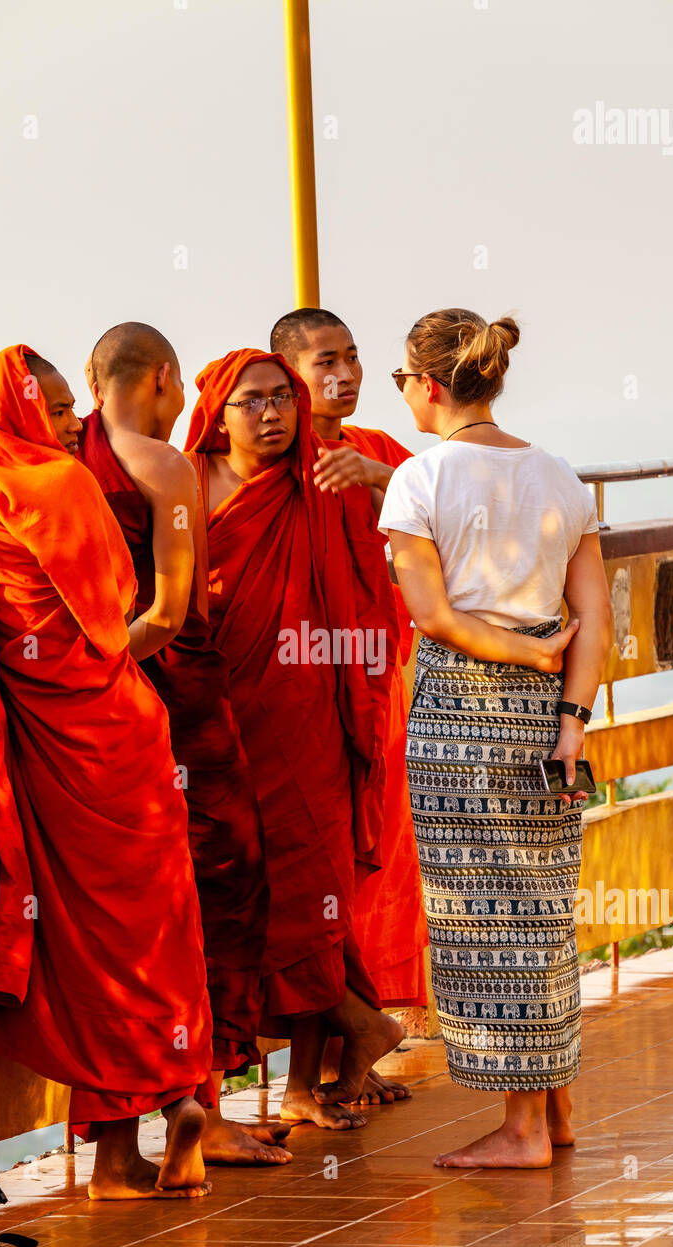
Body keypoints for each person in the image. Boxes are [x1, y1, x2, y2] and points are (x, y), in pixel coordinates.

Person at [0, 345, 214, 1199]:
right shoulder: (58, 485)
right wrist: (95, 673)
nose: (69, 425)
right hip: (117, 730)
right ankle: (168, 1103)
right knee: (153, 927)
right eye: (54, 410)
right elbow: (111, 613)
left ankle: (127, 1145)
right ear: (19, 409)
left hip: (43, 745)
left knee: (89, 948)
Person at [378, 308, 611, 1168]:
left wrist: (518, 648)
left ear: (430, 384)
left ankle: (520, 1132)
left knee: (486, 924)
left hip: (462, 718)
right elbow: (595, 620)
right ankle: (555, 1110)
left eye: (400, 378)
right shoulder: (557, 475)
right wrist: (570, 718)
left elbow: (433, 617)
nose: (401, 393)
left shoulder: (419, 479)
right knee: (543, 912)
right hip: (550, 715)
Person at [79, 322, 289, 1166]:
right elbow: (170, 614)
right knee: (224, 888)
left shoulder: (66, 466)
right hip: (181, 699)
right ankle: (207, 1101)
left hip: (105, 722)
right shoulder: (164, 466)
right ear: (165, 378)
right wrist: (104, 665)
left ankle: (160, 1116)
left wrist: (77, 675)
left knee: (145, 915)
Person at [184, 348, 405, 1130]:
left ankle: (304, 1084)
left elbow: (442, 510)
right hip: (219, 714)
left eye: (283, 397)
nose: (273, 413)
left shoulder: (324, 475)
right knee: (229, 894)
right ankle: (344, 1033)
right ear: (218, 411)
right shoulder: (189, 483)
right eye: (253, 402)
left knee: (315, 888)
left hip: (312, 707)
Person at [270, 307, 427, 1103]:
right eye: (326, 360)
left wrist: (384, 485)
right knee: (312, 877)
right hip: (296, 695)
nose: (347, 374)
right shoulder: (270, 458)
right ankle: (328, 1056)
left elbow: (450, 531)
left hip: (374, 685)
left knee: (367, 867)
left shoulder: (377, 455)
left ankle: (348, 1054)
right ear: (288, 376)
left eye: (355, 357)